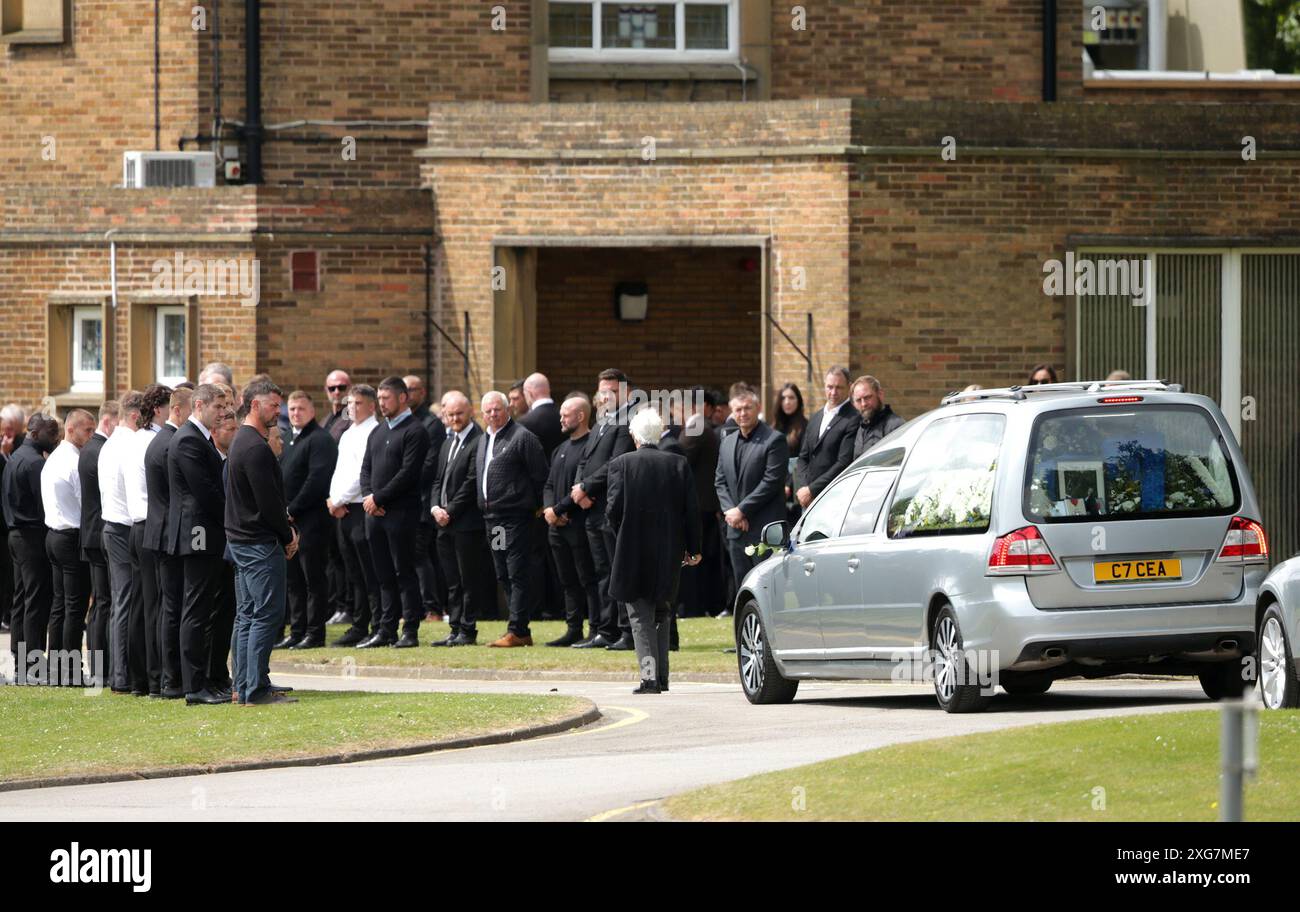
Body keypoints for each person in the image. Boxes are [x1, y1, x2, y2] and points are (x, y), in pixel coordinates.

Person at [607, 408, 702, 694]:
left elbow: (612, 511)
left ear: (634, 435)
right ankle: (661, 677)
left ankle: (650, 679)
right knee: (661, 614)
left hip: (632, 549)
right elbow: (691, 511)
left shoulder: (621, 464)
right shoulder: (677, 464)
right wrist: (693, 548)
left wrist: (623, 535)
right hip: (668, 551)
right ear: (659, 434)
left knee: (640, 617)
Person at [226, 378, 299, 706]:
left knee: (248, 614)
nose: (277, 412)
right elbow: (268, 503)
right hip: (257, 543)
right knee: (265, 614)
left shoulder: (241, 441)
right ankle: (254, 689)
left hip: (243, 542)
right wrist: (288, 536)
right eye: (273, 405)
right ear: (254, 405)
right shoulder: (255, 447)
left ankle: (245, 685)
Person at [468, 390, 548, 647]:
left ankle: (518, 629)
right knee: (503, 572)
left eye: (497, 409)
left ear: (507, 410)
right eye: (488, 410)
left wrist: (536, 508)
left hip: (515, 518)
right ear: (482, 414)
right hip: (493, 520)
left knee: (517, 572)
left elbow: (540, 476)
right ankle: (518, 628)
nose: (493, 414)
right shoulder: (484, 439)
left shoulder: (523, 437)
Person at [167, 383, 231, 705]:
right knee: (196, 607)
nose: (223, 413)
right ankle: (193, 686)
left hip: (205, 530)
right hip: (198, 532)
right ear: (199, 405)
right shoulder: (189, 440)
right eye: (217, 407)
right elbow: (205, 491)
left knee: (206, 607)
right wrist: (233, 518)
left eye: (224, 407)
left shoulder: (199, 438)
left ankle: (206, 679)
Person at [358, 376, 430, 648]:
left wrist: (378, 498)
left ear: (402, 398)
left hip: (401, 514)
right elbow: (366, 468)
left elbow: (408, 473)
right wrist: (369, 497)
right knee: (383, 574)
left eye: (386, 398)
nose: (381, 403)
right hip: (374, 514)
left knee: (404, 572)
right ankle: (386, 629)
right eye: (379, 398)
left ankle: (410, 630)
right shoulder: (377, 432)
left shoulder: (415, 431)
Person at [570, 369, 637, 650]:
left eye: (611, 391)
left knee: (616, 570)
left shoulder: (628, 420)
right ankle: (604, 629)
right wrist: (579, 490)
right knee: (600, 572)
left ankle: (624, 631)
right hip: (590, 508)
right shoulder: (601, 421)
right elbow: (585, 460)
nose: (605, 396)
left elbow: (616, 463)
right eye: (602, 391)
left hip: (611, 507)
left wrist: (586, 487)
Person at [429, 391, 493, 647]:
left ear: (471, 413)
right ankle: (454, 627)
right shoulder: (448, 442)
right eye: (450, 414)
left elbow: (471, 481)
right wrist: (435, 507)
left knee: (468, 580)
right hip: (443, 522)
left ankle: (467, 629)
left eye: (459, 414)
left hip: (466, 523)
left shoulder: (479, 441)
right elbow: (437, 480)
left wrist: (450, 511)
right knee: (452, 580)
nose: (455, 418)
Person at [276, 391, 338, 650]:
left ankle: (315, 633)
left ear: (312, 411)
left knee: (313, 579)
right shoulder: (286, 438)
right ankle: (297, 630)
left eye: (301, 408)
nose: (295, 413)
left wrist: (293, 509)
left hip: (312, 521)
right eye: (291, 409)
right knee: (293, 580)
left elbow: (317, 481)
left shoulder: (320, 440)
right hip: (288, 522)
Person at [715, 384, 788, 593]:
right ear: (732, 412)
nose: (743, 413)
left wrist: (742, 510)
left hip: (764, 530)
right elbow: (720, 481)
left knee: (768, 589)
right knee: (743, 588)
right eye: (738, 409)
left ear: (758, 408)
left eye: (747, 408)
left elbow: (771, 481)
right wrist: (732, 512)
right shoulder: (727, 442)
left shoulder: (774, 440)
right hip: (736, 530)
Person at [144, 387, 192, 698]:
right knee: (173, 607)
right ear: (178, 410)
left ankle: (166, 677)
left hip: (159, 531)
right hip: (167, 533)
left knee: (167, 607)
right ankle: (172, 677)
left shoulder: (160, 439)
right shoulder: (172, 442)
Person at [4, 413, 58, 681]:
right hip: (32, 537)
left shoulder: (15, 457)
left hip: (16, 535)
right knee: (35, 600)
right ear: (35, 433)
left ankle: (21, 657)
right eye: (51, 433)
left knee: (22, 597)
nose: (55, 438)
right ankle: (32, 662)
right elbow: (44, 504)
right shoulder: (36, 463)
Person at [125, 384, 170, 696]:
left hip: (135, 526)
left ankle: (138, 679)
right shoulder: (155, 441)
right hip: (150, 525)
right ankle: (155, 679)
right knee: (154, 606)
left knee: (140, 605)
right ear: (158, 409)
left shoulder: (132, 440)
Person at [542, 395, 598, 647]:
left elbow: (582, 487)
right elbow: (549, 484)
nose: (561, 420)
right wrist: (549, 510)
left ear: (581, 416)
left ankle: (595, 628)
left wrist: (561, 510)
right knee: (567, 581)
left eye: (566, 415)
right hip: (556, 525)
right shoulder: (560, 449)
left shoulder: (590, 446)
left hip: (578, 524)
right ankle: (573, 628)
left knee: (588, 578)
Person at [326, 385, 380, 647]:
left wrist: (339, 499)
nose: (352, 408)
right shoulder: (348, 434)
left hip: (360, 506)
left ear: (371, 406)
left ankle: (376, 624)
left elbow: (363, 474)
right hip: (342, 508)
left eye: (358, 403)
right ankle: (359, 624)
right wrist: (333, 499)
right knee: (352, 572)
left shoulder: (373, 431)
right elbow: (340, 470)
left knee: (369, 571)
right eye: (350, 403)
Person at [41, 410, 92, 684]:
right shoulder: (73, 462)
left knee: (60, 604)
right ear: (71, 430)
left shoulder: (54, 458)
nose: (91, 435)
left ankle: (56, 666)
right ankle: (70, 671)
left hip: (54, 535)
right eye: (87, 430)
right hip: (70, 537)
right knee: (74, 606)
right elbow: (85, 504)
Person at [99, 391, 144, 694]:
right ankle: (122, 674)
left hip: (112, 526)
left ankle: (119, 673)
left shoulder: (111, 443)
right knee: (125, 601)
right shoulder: (129, 444)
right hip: (123, 528)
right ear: (135, 416)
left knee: (119, 602)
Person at [517, 372, 564, 622]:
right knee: (564, 556)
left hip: (536, 502)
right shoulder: (565, 416)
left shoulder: (525, 423)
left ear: (530, 393)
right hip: (568, 496)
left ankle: (539, 606)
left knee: (536, 555)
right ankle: (563, 606)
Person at [78, 401, 118, 687]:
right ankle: (101, 667)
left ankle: (99, 666)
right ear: (108, 421)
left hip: (92, 532)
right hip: (98, 533)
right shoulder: (100, 450)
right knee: (104, 602)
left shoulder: (91, 449)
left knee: (100, 603)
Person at [405, 374, 448, 625]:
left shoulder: (431, 424)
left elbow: (429, 465)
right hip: (406, 501)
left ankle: (432, 609)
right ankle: (418, 607)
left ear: (422, 393)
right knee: (417, 556)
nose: (408, 394)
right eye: (404, 389)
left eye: (412, 389)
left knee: (420, 555)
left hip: (422, 501)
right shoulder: (404, 422)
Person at [678, 388, 723, 618]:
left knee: (693, 557)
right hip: (702, 504)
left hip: (698, 504)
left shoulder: (697, 427)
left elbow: (679, 461)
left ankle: (692, 607)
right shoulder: (697, 426)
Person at [793, 366, 856, 510]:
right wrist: (804, 488)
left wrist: (812, 489)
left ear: (849, 387)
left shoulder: (853, 418)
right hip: (807, 499)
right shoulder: (816, 417)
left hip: (834, 497)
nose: (833, 392)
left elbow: (843, 462)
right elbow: (803, 457)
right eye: (830, 387)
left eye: (839, 387)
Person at [0, 402, 27, 634]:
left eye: (10, 429)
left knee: (10, 576)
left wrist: (6, 454)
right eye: (4, 428)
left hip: (9, 524)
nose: (6, 434)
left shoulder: (20, 445)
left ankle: (8, 614)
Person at [850, 375, 906, 460]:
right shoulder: (862, 427)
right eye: (858, 400)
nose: (863, 404)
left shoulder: (896, 426)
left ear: (880, 394)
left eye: (867, 397)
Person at [518, 372, 565, 457]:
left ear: (529, 393)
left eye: (525, 395)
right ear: (548, 390)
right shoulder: (565, 416)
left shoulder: (524, 421)